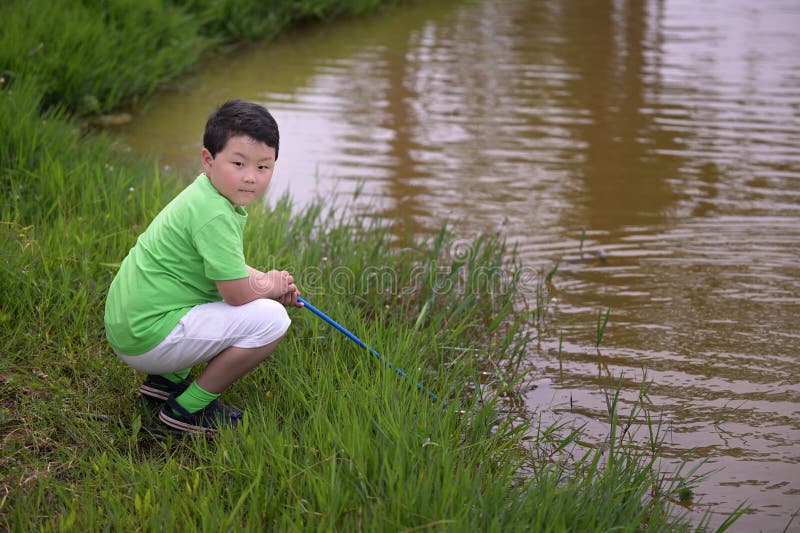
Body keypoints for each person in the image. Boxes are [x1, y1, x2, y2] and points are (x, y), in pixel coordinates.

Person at [104, 99, 302, 436]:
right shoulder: (214, 214)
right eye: (238, 163)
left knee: (250, 299)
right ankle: (186, 410)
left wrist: (272, 282)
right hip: (145, 336)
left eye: (263, 167)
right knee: (271, 320)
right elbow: (237, 293)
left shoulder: (205, 194)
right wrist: (270, 288)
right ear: (208, 159)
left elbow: (230, 269)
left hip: (131, 324)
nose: (251, 178)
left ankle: (165, 382)